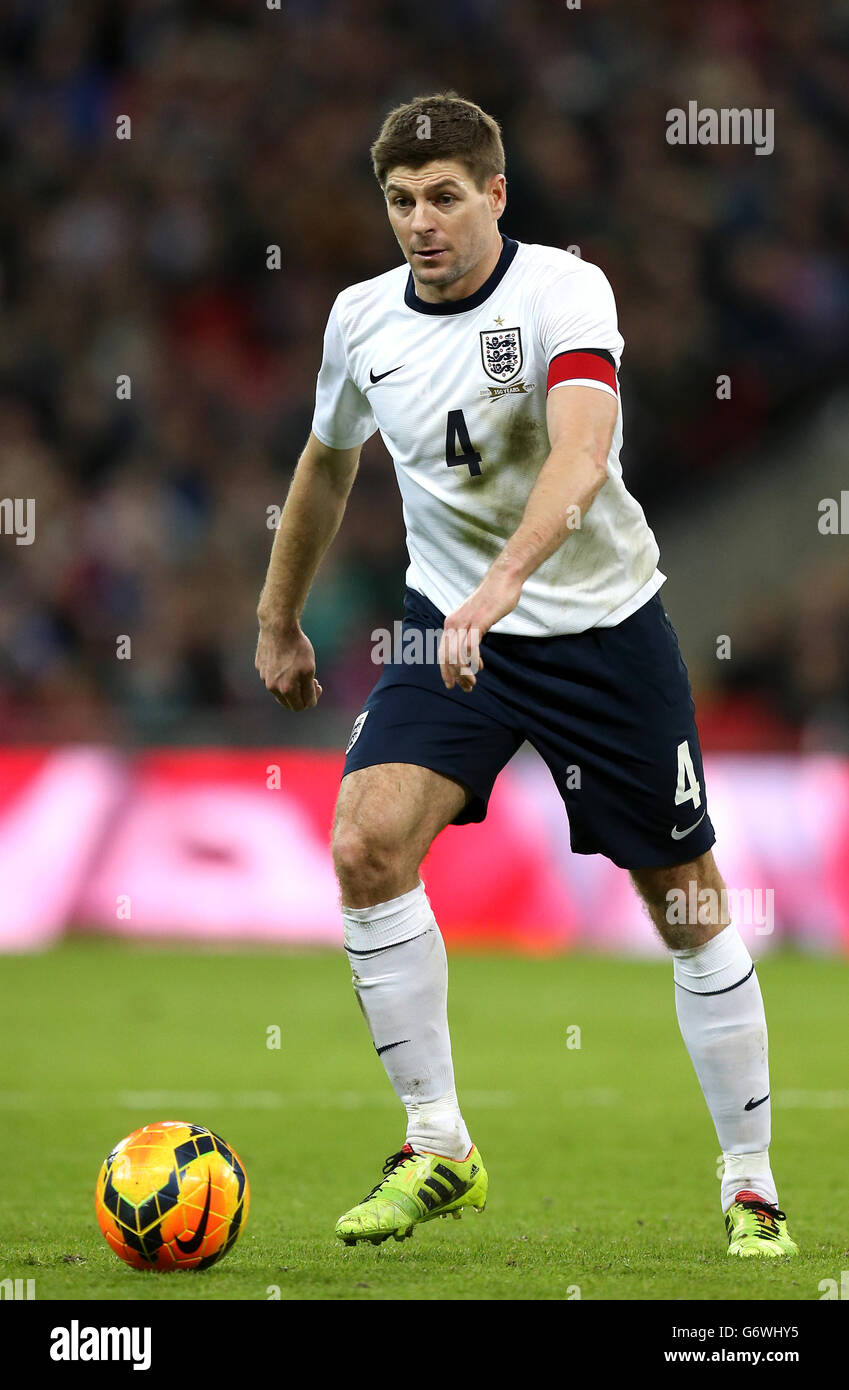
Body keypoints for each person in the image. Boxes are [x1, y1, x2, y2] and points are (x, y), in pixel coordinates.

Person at [255, 93, 796, 1258]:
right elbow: (324, 464)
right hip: (448, 633)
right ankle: (439, 1143)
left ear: (496, 194)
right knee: (364, 840)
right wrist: (279, 616)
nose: (421, 223)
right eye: (400, 201)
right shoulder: (360, 322)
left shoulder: (564, 290)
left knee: (689, 905)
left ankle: (750, 1181)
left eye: (445, 196)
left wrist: (503, 585)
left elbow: (584, 448)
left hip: (600, 627)